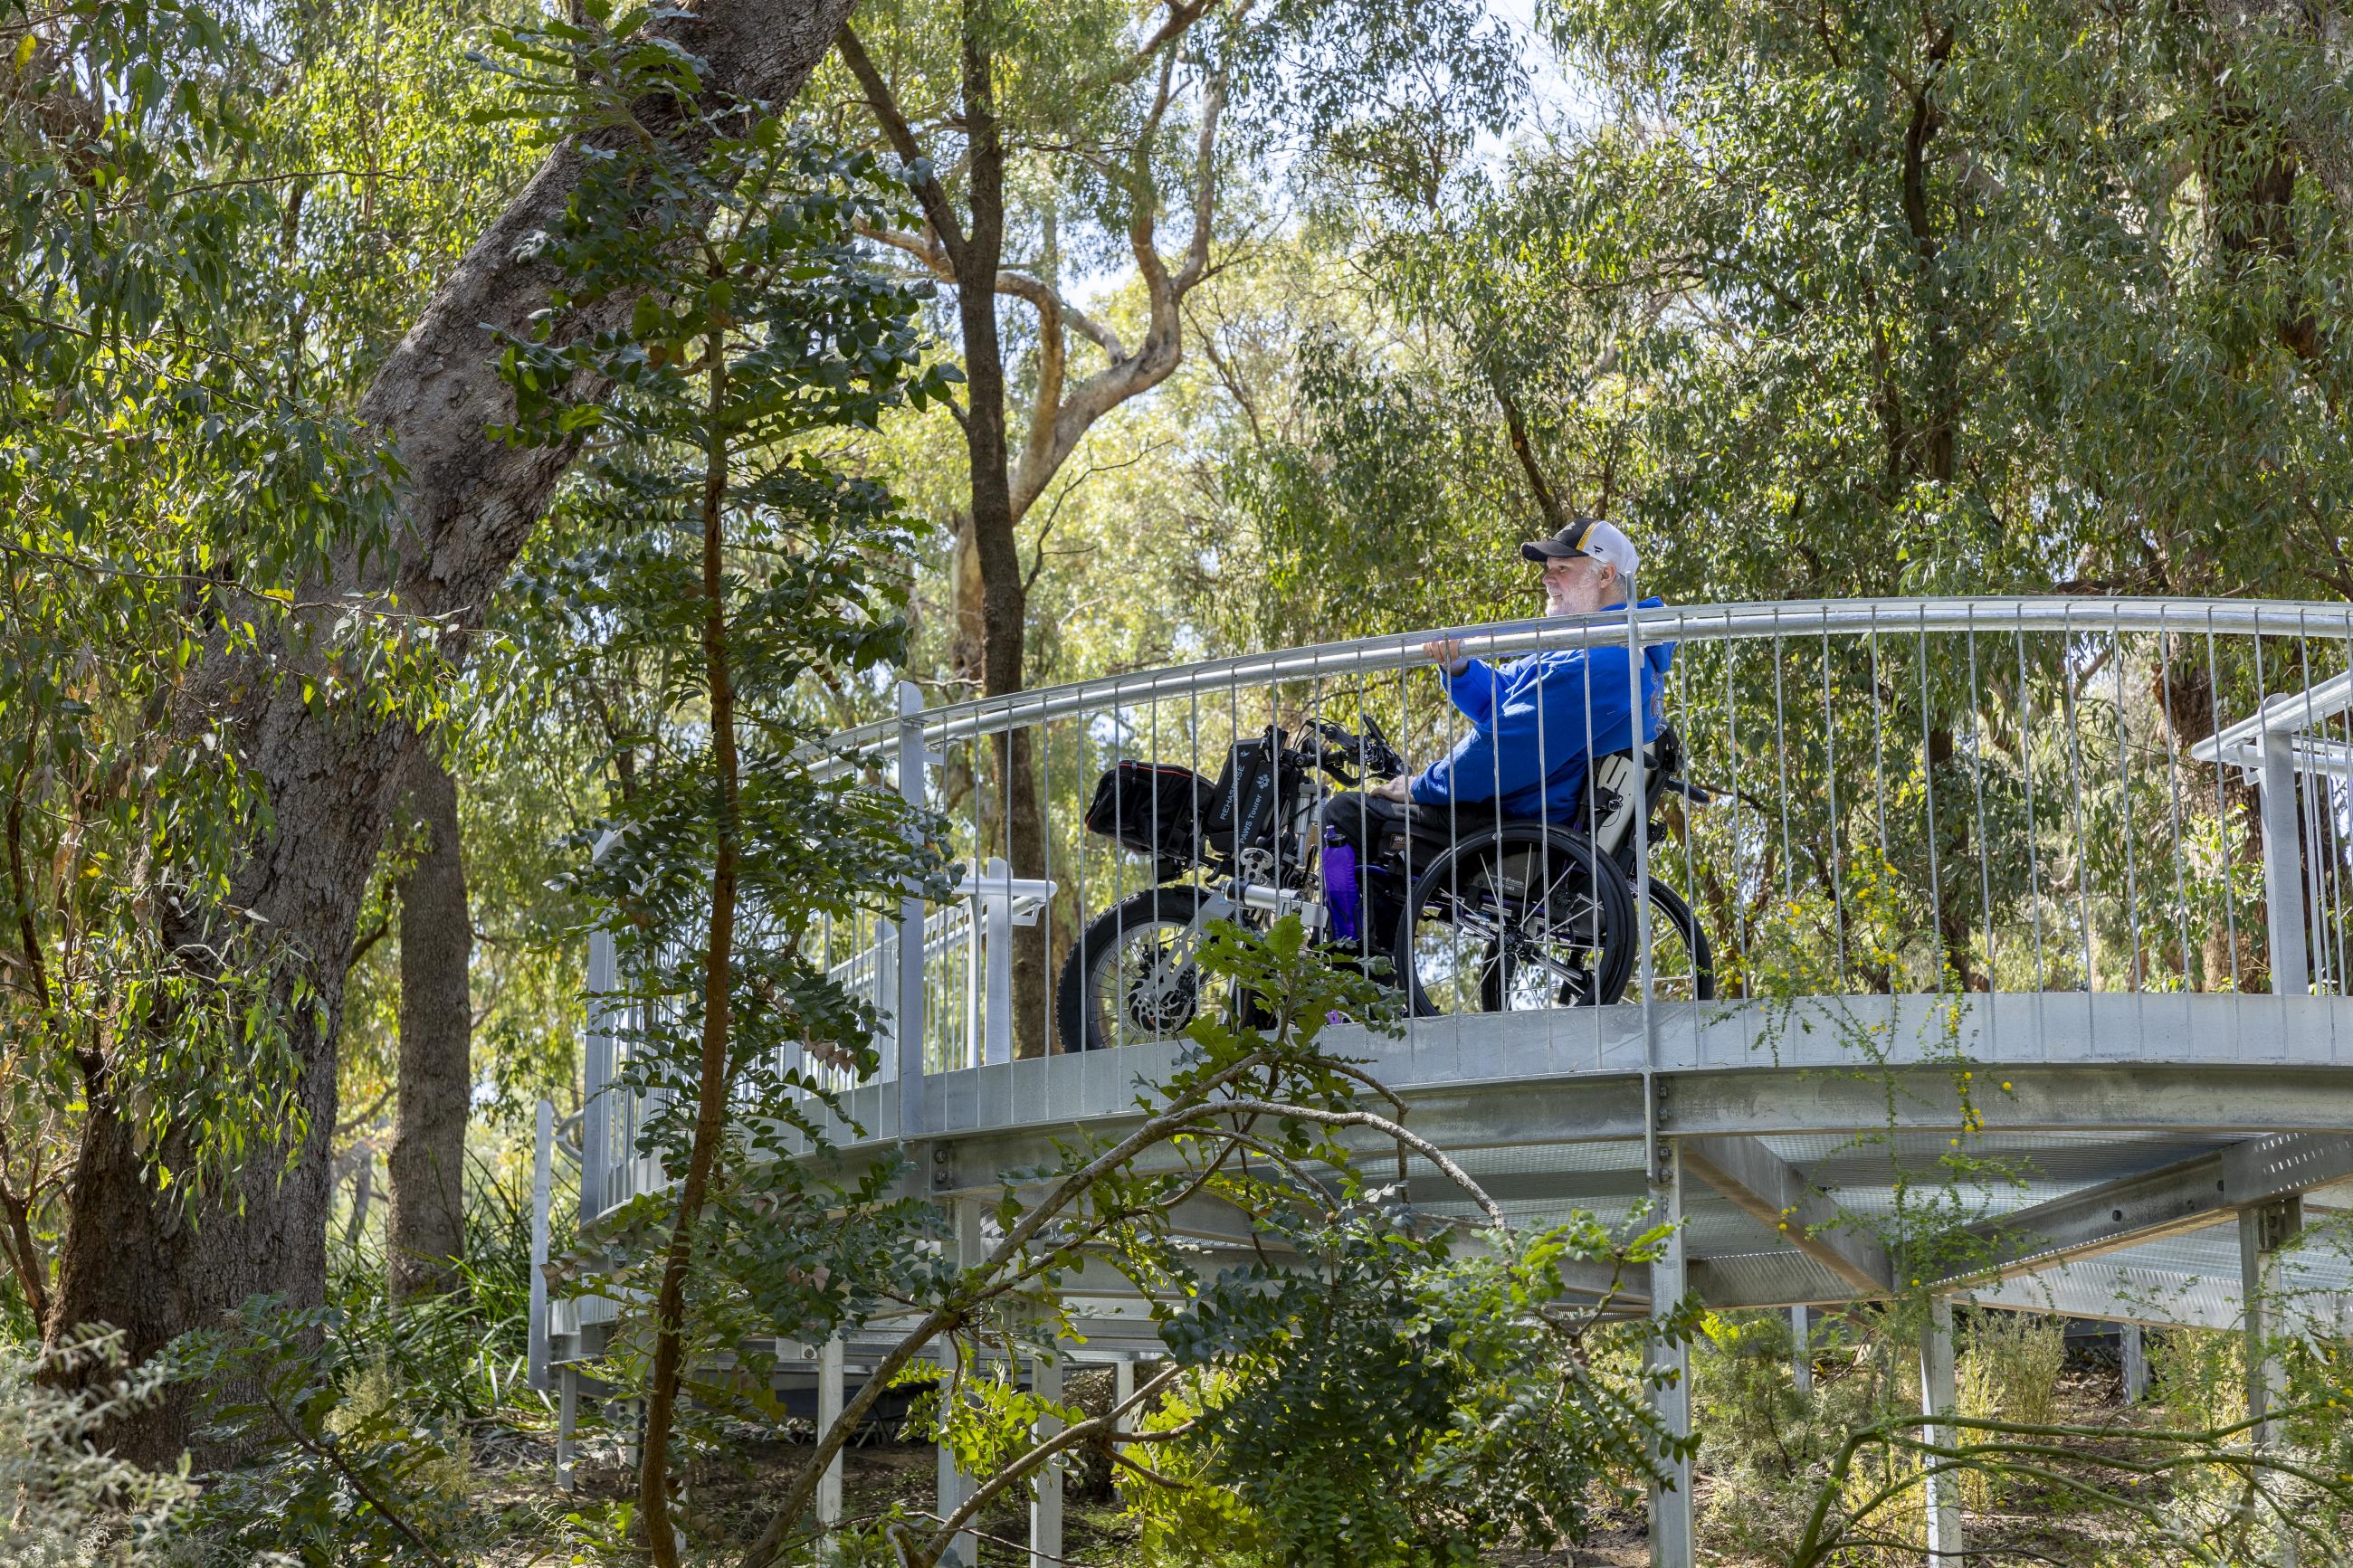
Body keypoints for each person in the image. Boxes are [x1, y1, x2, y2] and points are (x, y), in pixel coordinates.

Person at [1319, 518, 1674, 949]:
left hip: (1520, 826)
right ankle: (1379, 976)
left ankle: (1357, 979)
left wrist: (1421, 786)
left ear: (1605, 574)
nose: (1547, 577)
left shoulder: (1603, 663)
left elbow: (1505, 750)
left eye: (1562, 568)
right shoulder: (1595, 647)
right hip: (1526, 814)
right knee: (1378, 818)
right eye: (1547, 568)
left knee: (1348, 817)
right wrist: (1461, 670)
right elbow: (1511, 696)